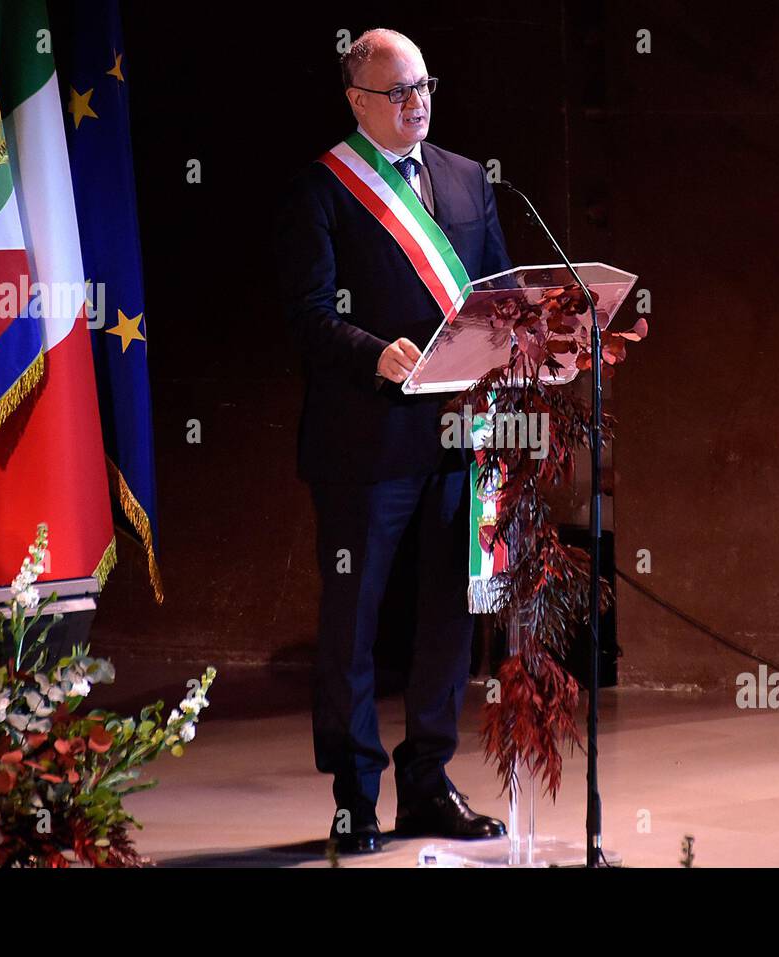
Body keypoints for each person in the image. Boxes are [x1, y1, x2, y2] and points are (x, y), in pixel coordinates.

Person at [277, 27, 511, 854]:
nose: (418, 105)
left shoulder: (464, 177)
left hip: (456, 440)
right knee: (355, 624)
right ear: (356, 101)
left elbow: (501, 296)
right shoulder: (323, 190)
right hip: (363, 447)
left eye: (424, 87)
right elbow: (308, 318)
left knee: (448, 620)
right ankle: (353, 795)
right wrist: (375, 354)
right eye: (398, 93)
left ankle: (429, 783)